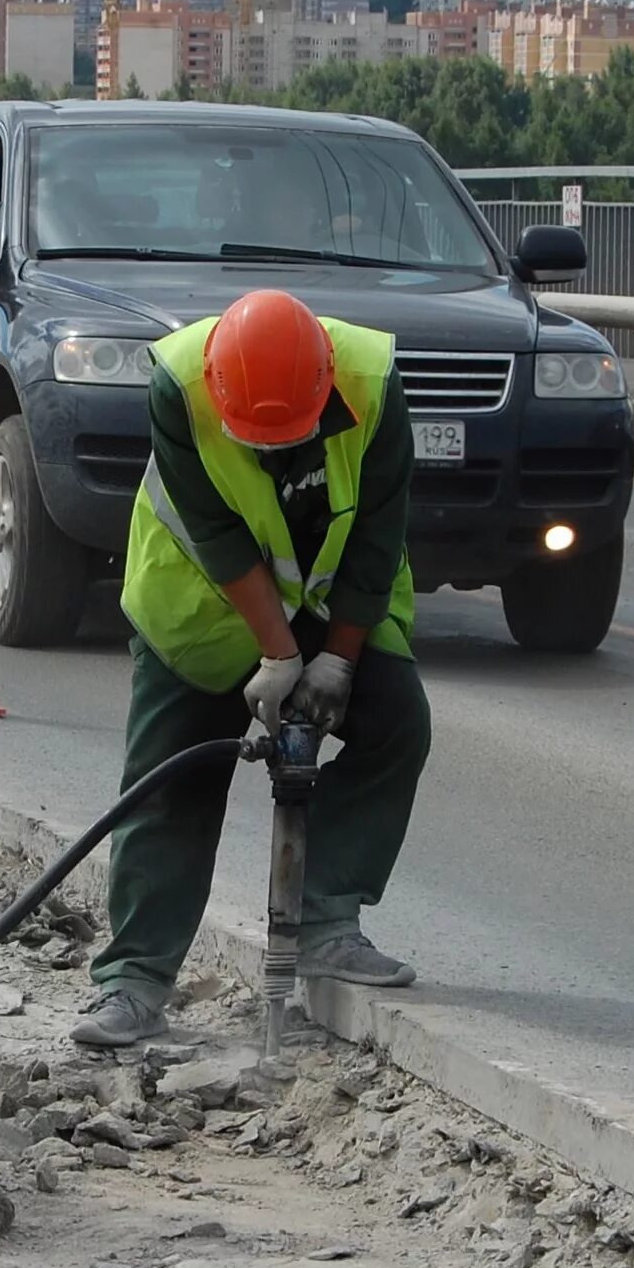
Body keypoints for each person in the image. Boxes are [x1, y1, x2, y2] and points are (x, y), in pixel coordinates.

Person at [73, 288, 431, 1050]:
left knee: (397, 725)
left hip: (334, 595)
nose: (269, 448)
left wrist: (337, 658)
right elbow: (215, 533)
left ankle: (326, 916)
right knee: (170, 779)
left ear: (325, 380)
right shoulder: (180, 387)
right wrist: (278, 649)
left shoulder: (373, 380)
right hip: (204, 599)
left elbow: (377, 531)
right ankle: (134, 979)